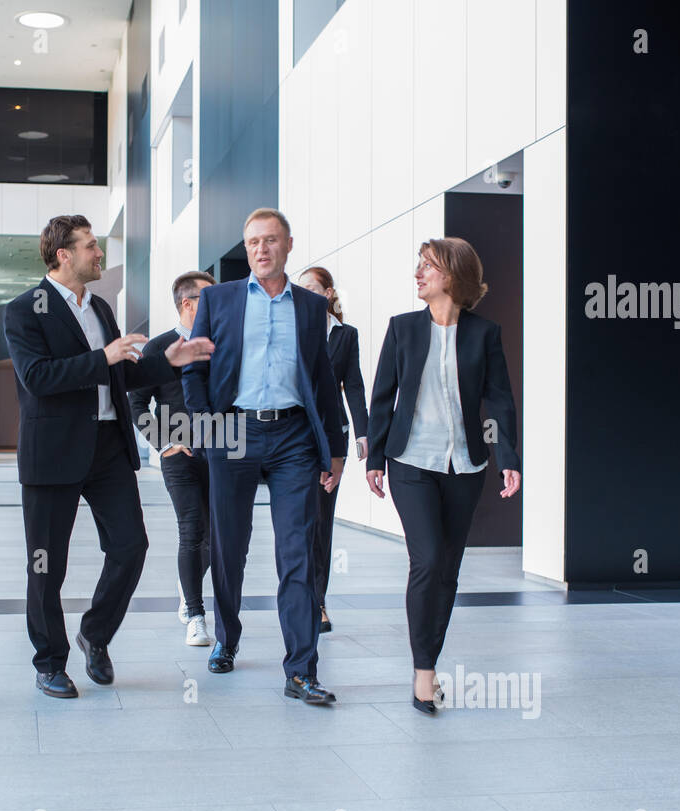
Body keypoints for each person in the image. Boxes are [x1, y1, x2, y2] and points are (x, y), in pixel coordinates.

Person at [3, 215, 214, 698]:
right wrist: (104, 358)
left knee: (130, 547)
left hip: (107, 448)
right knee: (46, 565)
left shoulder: (99, 307)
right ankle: (50, 662)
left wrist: (168, 361)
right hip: (52, 453)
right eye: (91, 247)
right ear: (64, 255)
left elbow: (119, 377)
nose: (100, 255)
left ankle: (95, 635)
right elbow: (37, 377)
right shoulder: (23, 310)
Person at [183, 207, 345, 705]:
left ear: (288, 246)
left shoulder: (311, 309)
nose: (260, 250)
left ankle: (301, 669)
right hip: (233, 431)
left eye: (270, 241)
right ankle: (227, 638)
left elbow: (322, 380)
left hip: (294, 435)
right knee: (229, 547)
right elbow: (193, 365)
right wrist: (204, 426)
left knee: (297, 550)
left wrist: (334, 448)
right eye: (253, 242)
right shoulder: (218, 299)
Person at [364, 237, 521, 716]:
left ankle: (429, 661)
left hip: (465, 466)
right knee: (428, 559)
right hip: (410, 461)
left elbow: (499, 399)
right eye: (419, 266)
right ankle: (423, 673)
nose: (418, 274)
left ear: (453, 276)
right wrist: (373, 458)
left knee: (449, 571)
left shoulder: (484, 333)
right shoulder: (403, 329)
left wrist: (508, 456)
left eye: (428, 267)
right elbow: (382, 395)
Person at [129, 270, 216, 646]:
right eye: (210, 299)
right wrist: (163, 443)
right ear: (188, 303)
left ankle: (188, 586)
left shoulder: (220, 342)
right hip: (178, 454)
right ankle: (195, 614)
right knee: (191, 528)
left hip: (220, 451)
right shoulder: (159, 347)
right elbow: (136, 401)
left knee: (217, 535)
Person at [298, 266, 368, 634]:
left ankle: (318, 601)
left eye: (312, 287)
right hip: (295, 436)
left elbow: (353, 385)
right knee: (299, 522)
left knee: (322, 521)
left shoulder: (345, 335)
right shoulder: (293, 330)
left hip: (332, 438)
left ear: (327, 293)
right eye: (301, 287)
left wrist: (363, 432)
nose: (304, 292)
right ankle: (299, 599)